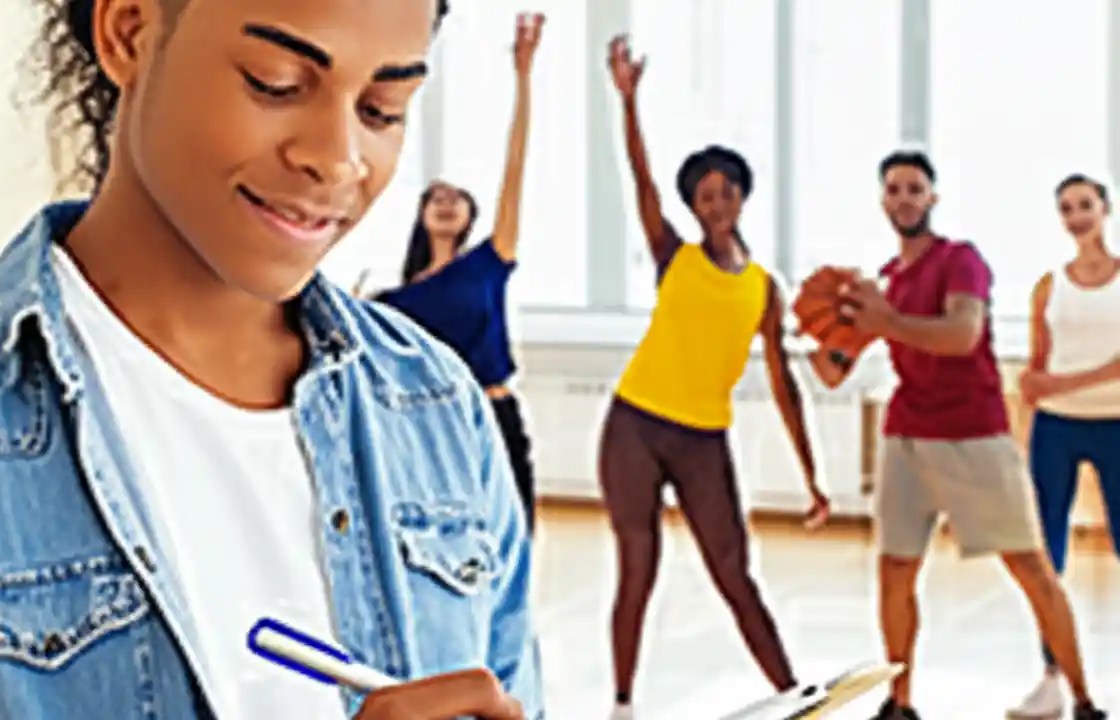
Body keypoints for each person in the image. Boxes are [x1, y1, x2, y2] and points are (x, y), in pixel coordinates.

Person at [0, 1, 542, 719]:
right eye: (275, 82)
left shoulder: (439, 407)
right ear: (130, 32)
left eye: (382, 109)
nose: (337, 158)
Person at [812, 150, 1107, 720]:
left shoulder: (960, 260)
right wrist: (820, 324)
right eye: (894, 189)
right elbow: (832, 370)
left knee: (1032, 568)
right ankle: (899, 704)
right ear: (883, 201)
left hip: (974, 434)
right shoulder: (887, 282)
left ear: (933, 198)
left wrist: (884, 319)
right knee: (894, 569)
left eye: (915, 189)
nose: (904, 198)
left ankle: (1085, 702)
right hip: (906, 436)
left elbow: (963, 336)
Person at [600, 36, 831, 719]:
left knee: (734, 572)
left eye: (726, 190)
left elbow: (786, 386)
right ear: (694, 208)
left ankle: (795, 696)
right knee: (637, 569)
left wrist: (812, 476)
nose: (716, 201)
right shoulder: (675, 256)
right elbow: (641, 185)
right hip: (635, 425)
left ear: (740, 198)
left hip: (704, 439)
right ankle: (621, 703)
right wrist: (629, 100)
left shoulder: (763, 287)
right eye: (703, 195)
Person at [374, 12, 543, 533]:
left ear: (471, 217)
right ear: (420, 217)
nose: (446, 204)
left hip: (496, 417)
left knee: (512, 539)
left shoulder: (487, 266)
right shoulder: (394, 303)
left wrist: (523, 74)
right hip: (435, 427)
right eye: (435, 198)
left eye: (456, 199)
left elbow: (514, 170)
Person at [1008, 173, 1120, 720]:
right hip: (1055, 430)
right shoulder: (1048, 285)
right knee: (1045, 552)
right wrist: (1036, 398)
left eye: (1085, 205)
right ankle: (1052, 676)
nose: (1077, 216)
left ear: (1106, 209)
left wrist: (1060, 384)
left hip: (1116, 425)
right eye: (1067, 208)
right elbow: (1038, 366)